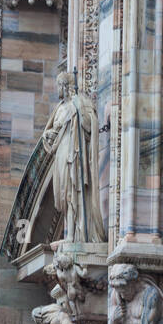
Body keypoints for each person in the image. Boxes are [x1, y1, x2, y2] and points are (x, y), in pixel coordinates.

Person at [42, 71, 107, 245]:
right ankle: (70, 233)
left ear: (65, 86)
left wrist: (79, 112)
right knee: (64, 193)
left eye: (59, 85)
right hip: (61, 154)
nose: (57, 90)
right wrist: (48, 135)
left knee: (74, 191)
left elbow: (89, 124)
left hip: (74, 154)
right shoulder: (60, 108)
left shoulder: (79, 102)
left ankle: (74, 236)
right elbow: (54, 131)